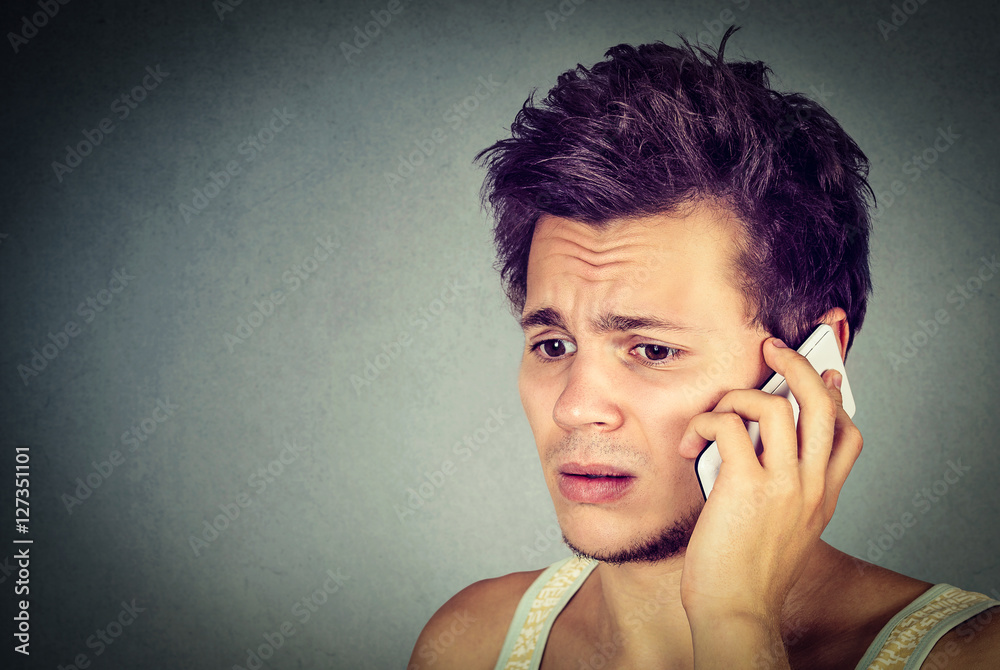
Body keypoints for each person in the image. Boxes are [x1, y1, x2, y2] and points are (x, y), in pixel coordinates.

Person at [409, 28, 1000, 669]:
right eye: (553, 344)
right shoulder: (471, 640)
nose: (574, 409)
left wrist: (734, 620)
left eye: (652, 351)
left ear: (816, 366)